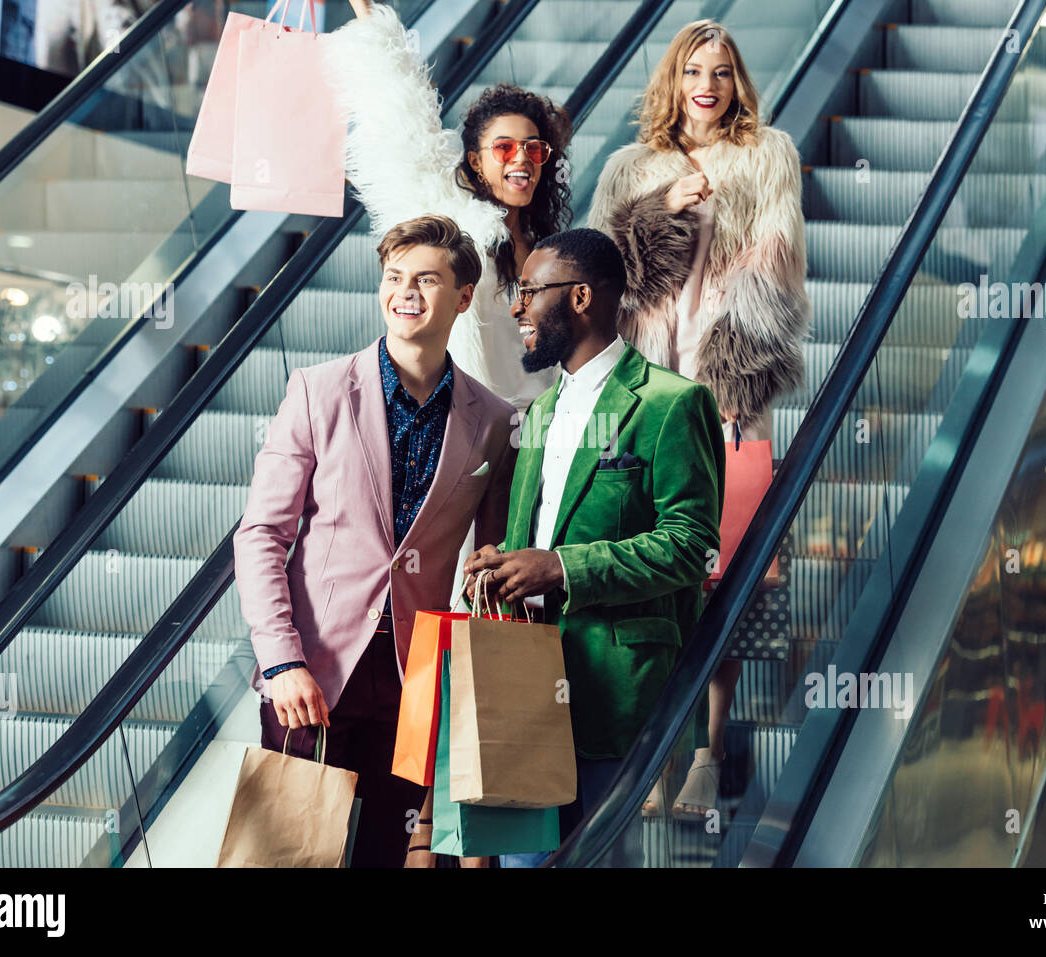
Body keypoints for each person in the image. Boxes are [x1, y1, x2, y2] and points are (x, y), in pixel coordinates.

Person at [232, 215, 517, 868]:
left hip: (415, 680)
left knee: (386, 853)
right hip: (312, 675)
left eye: (425, 278)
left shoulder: (495, 421)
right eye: (394, 277)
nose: (405, 292)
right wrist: (280, 661)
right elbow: (261, 537)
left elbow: (486, 565)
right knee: (287, 855)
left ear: (464, 295)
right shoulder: (318, 391)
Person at [587, 19, 811, 820]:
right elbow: (602, 273)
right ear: (672, 82)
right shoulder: (630, 167)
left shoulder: (766, 154)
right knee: (651, 574)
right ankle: (654, 751)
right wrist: (660, 209)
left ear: (737, 80)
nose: (707, 86)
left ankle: (709, 754)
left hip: (726, 394)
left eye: (720, 71)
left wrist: (734, 373)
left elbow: (779, 261)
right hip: (646, 392)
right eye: (692, 72)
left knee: (723, 579)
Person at [464, 228, 726, 867]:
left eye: (530, 291)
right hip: (526, 688)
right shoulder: (543, 408)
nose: (518, 307)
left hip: (617, 692)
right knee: (528, 862)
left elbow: (691, 546)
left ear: (580, 297)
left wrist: (560, 568)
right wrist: (504, 561)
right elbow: (541, 533)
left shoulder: (671, 402)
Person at [327, 0, 573, 412]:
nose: (521, 158)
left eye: (533, 148)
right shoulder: (457, 226)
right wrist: (370, 16)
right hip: (471, 430)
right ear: (476, 161)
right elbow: (407, 125)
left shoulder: (548, 247)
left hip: (539, 434)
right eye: (504, 147)